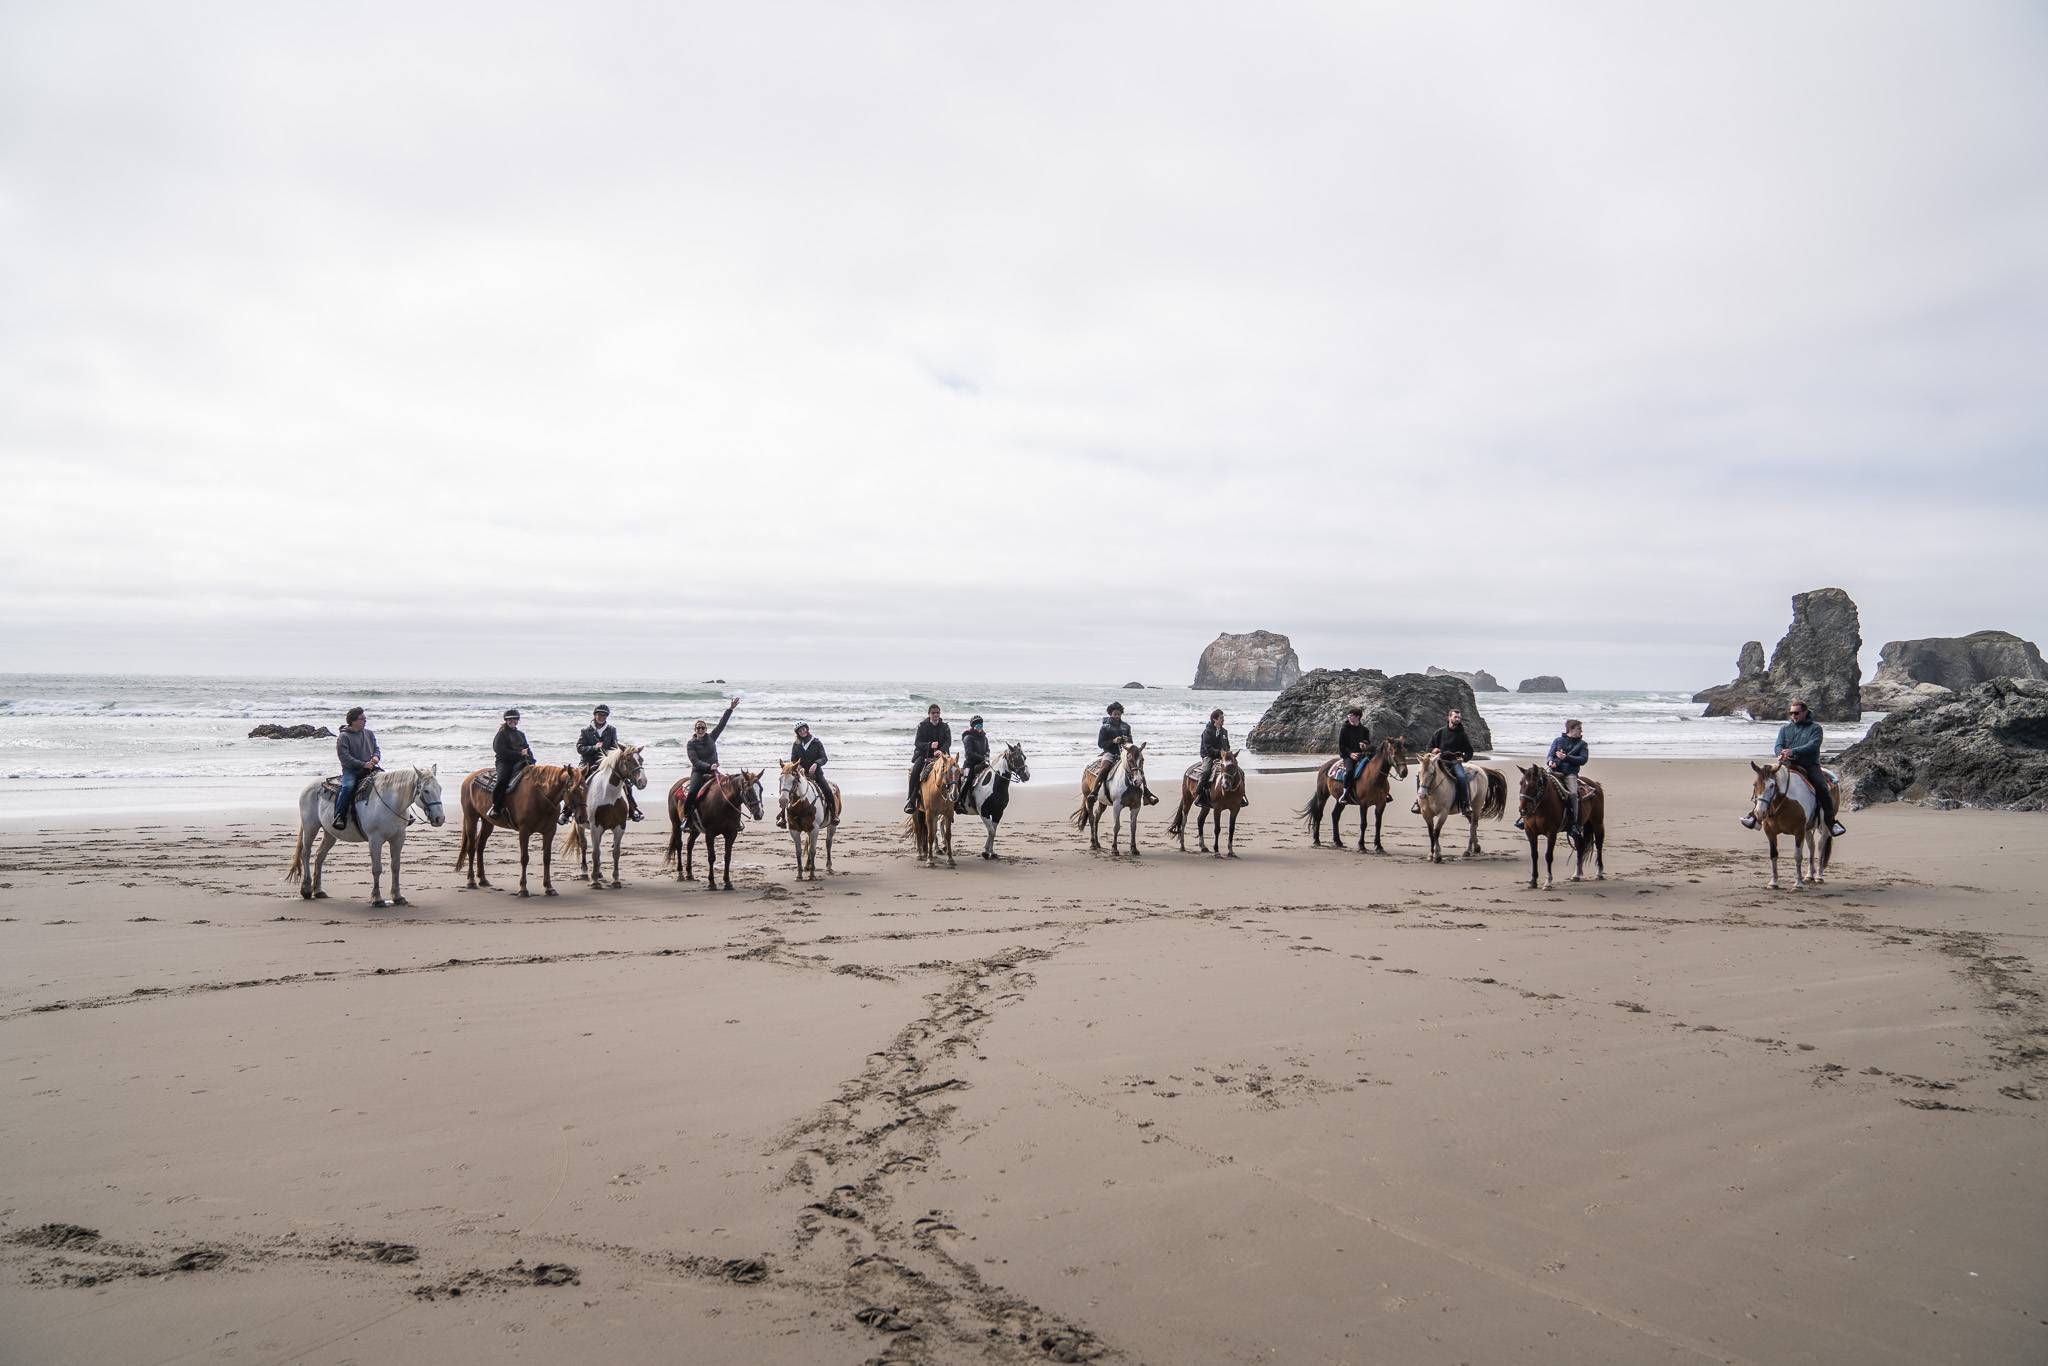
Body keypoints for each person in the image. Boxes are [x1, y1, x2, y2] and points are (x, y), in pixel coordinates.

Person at [1743, 698, 1846, 837]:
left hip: (1809, 765)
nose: (1793, 716)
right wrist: (1780, 753)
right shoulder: (1785, 728)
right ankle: (1755, 816)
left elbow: (1813, 745)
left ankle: (1831, 822)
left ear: (1805, 712)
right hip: (1787, 765)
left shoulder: (1815, 728)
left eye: (1796, 713)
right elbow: (1778, 745)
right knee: (1763, 782)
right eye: (1791, 713)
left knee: (1822, 788)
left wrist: (1793, 751)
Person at [570, 704, 641, 823]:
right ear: (594, 715)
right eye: (599, 714)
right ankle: (567, 812)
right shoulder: (585, 731)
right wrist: (594, 747)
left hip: (606, 762)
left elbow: (614, 746)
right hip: (588, 763)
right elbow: (580, 748)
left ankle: (633, 809)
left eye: (604, 715)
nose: (601, 717)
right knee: (577, 784)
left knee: (626, 783)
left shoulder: (611, 730)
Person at [1519, 719, 1588, 835]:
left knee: (1573, 794)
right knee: (1535, 788)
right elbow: (1550, 755)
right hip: (1553, 772)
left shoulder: (1582, 744)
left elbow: (1583, 760)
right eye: (1579, 728)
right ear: (1571, 729)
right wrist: (1550, 762)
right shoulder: (1558, 740)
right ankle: (1525, 817)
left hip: (1570, 774)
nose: (1581, 731)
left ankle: (1575, 824)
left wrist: (1566, 757)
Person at [684, 697, 740, 823]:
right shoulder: (691, 744)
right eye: (698, 728)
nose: (700, 730)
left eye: (703, 728)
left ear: (706, 729)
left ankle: (734, 819)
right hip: (699, 772)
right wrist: (709, 767)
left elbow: (722, 724)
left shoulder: (711, 737)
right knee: (692, 792)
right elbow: (695, 761)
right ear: (695, 730)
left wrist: (730, 709)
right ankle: (687, 818)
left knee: (730, 788)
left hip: (714, 772)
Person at [1415, 707, 1476, 815]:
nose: (1457, 719)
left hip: (1454, 762)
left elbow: (1470, 751)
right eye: (1455, 717)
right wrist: (1432, 750)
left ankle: (1465, 805)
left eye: (1459, 717)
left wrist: (1464, 758)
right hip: (1439, 761)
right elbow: (1428, 748)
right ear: (1449, 717)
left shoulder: (1462, 735)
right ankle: (1418, 802)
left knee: (1461, 777)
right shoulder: (1440, 732)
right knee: (1420, 774)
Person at [1094, 701, 1157, 805]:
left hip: (1124, 753)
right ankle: (1094, 792)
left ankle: (1147, 793)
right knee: (1104, 769)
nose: (1117, 716)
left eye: (1119, 714)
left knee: (1138, 769)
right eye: (1115, 714)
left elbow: (1130, 743)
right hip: (1110, 752)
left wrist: (1127, 739)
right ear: (1110, 714)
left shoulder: (1126, 726)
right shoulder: (1105, 727)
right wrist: (1113, 741)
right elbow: (1100, 744)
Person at [334, 706, 380, 830]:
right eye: (362, 719)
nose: (365, 721)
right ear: (353, 721)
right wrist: (363, 764)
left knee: (391, 781)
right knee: (347, 787)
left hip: (370, 768)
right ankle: (339, 816)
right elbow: (344, 758)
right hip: (351, 771)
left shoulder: (369, 733)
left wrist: (376, 757)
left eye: (365, 719)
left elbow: (376, 749)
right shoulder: (343, 737)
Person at [782, 722, 833, 827]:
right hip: (801, 775)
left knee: (827, 790)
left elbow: (824, 758)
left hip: (816, 774)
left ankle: (834, 814)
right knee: (788, 790)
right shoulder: (796, 744)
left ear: (807, 729)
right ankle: (782, 817)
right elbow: (793, 759)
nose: (802, 732)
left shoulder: (816, 742)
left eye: (803, 729)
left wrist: (816, 764)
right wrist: (798, 766)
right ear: (798, 733)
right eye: (799, 731)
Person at [490, 708, 535, 820]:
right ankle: (496, 807)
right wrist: (519, 754)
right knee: (502, 780)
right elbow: (499, 750)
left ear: (517, 720)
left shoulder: (521, 734)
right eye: (510, 719)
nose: (512, 721)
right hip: (504, 762)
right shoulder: (501, 734)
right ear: (506, 720)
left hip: (521, 761)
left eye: (514, 719)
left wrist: (532, 760)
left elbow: (527, 748)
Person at [906, 704, 951, 813]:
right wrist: (929, 745)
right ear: (929, 714)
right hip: (924, 755)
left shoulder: (945, 726)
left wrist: (942, 750)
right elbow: (917, 743)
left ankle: (955, 800)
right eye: (933, 713)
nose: (936, 715)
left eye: (937, 713)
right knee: (915, 772)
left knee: (954, 771)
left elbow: (948, 741)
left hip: (941, 755)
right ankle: (911, 800)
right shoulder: (922, 726)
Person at [1196, 709, 1243, 808]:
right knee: (1205, 772)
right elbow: (1208, 749)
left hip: (1223, 757)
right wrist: (1220, 753)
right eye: (1221, 718)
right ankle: (1199, 795)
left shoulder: (1224, 731)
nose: (1223, 720)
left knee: (1239, 771)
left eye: (1223, 718)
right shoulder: (1207, 732)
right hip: (1208, 756)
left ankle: (1241, 796)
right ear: (1214, 719)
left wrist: (1228, 754)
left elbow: (1227, 746)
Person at [1335, 706, 1372, 802]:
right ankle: (1345, 794)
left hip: (1362, 755)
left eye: (1351, 715)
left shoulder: (1364, 730)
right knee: (1350, 771)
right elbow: (1341, 746)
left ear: (1358, 717)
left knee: (1376, 767)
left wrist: (1364, 745)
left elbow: (1368, 742)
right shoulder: (1344, 729)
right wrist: (1351, 754)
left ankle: (1382, 791)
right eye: (1348, 715)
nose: (1349, 717)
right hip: (1348, 756)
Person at [956, 715, 990, 814]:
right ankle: (959, 802)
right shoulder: (968, 737)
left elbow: (987, 749)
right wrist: (982, 758)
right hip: (970, 764)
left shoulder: (984, 737)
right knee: (967, 780)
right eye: (977, 724)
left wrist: (987, 756)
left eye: (981, 724)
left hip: (983, 764)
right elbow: (969, 753)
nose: (980, 726)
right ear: (973, 726)